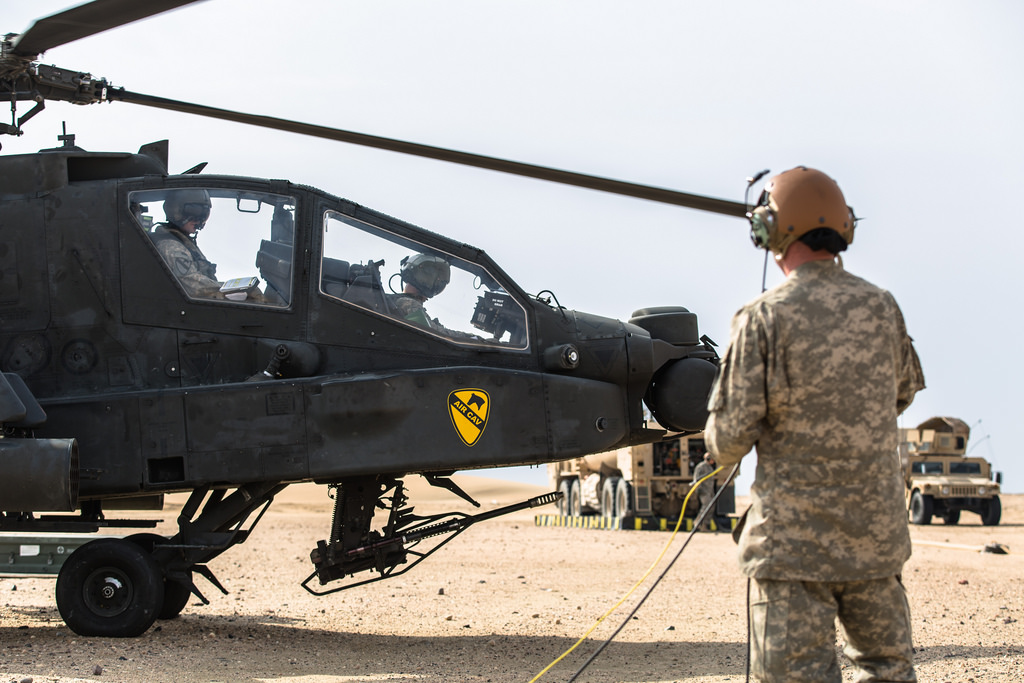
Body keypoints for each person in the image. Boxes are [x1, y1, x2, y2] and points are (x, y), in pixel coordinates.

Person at [705, 167, 925, 683]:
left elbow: (728, 437)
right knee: (888, 671)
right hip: (875, 545)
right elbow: (904, 393)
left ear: (771, 231)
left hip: (793, 552)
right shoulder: (881, 307)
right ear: (842, 229)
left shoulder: (762, 319)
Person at [151, 189, 221, 297]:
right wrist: (231, 291)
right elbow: (193, 285)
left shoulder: (184, 242)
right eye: (194, 212)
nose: (199, 220)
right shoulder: (170, 246)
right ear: (175, 211)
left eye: (204, 214)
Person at [690, 452, 717, 531]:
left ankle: (704, 525)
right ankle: (697, 522)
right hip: (704, 491)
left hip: (709, 491)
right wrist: (699, 490)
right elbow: (696, 479)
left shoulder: (710, 468)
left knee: (710, 507)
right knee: (706, 506)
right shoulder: (701, 467)